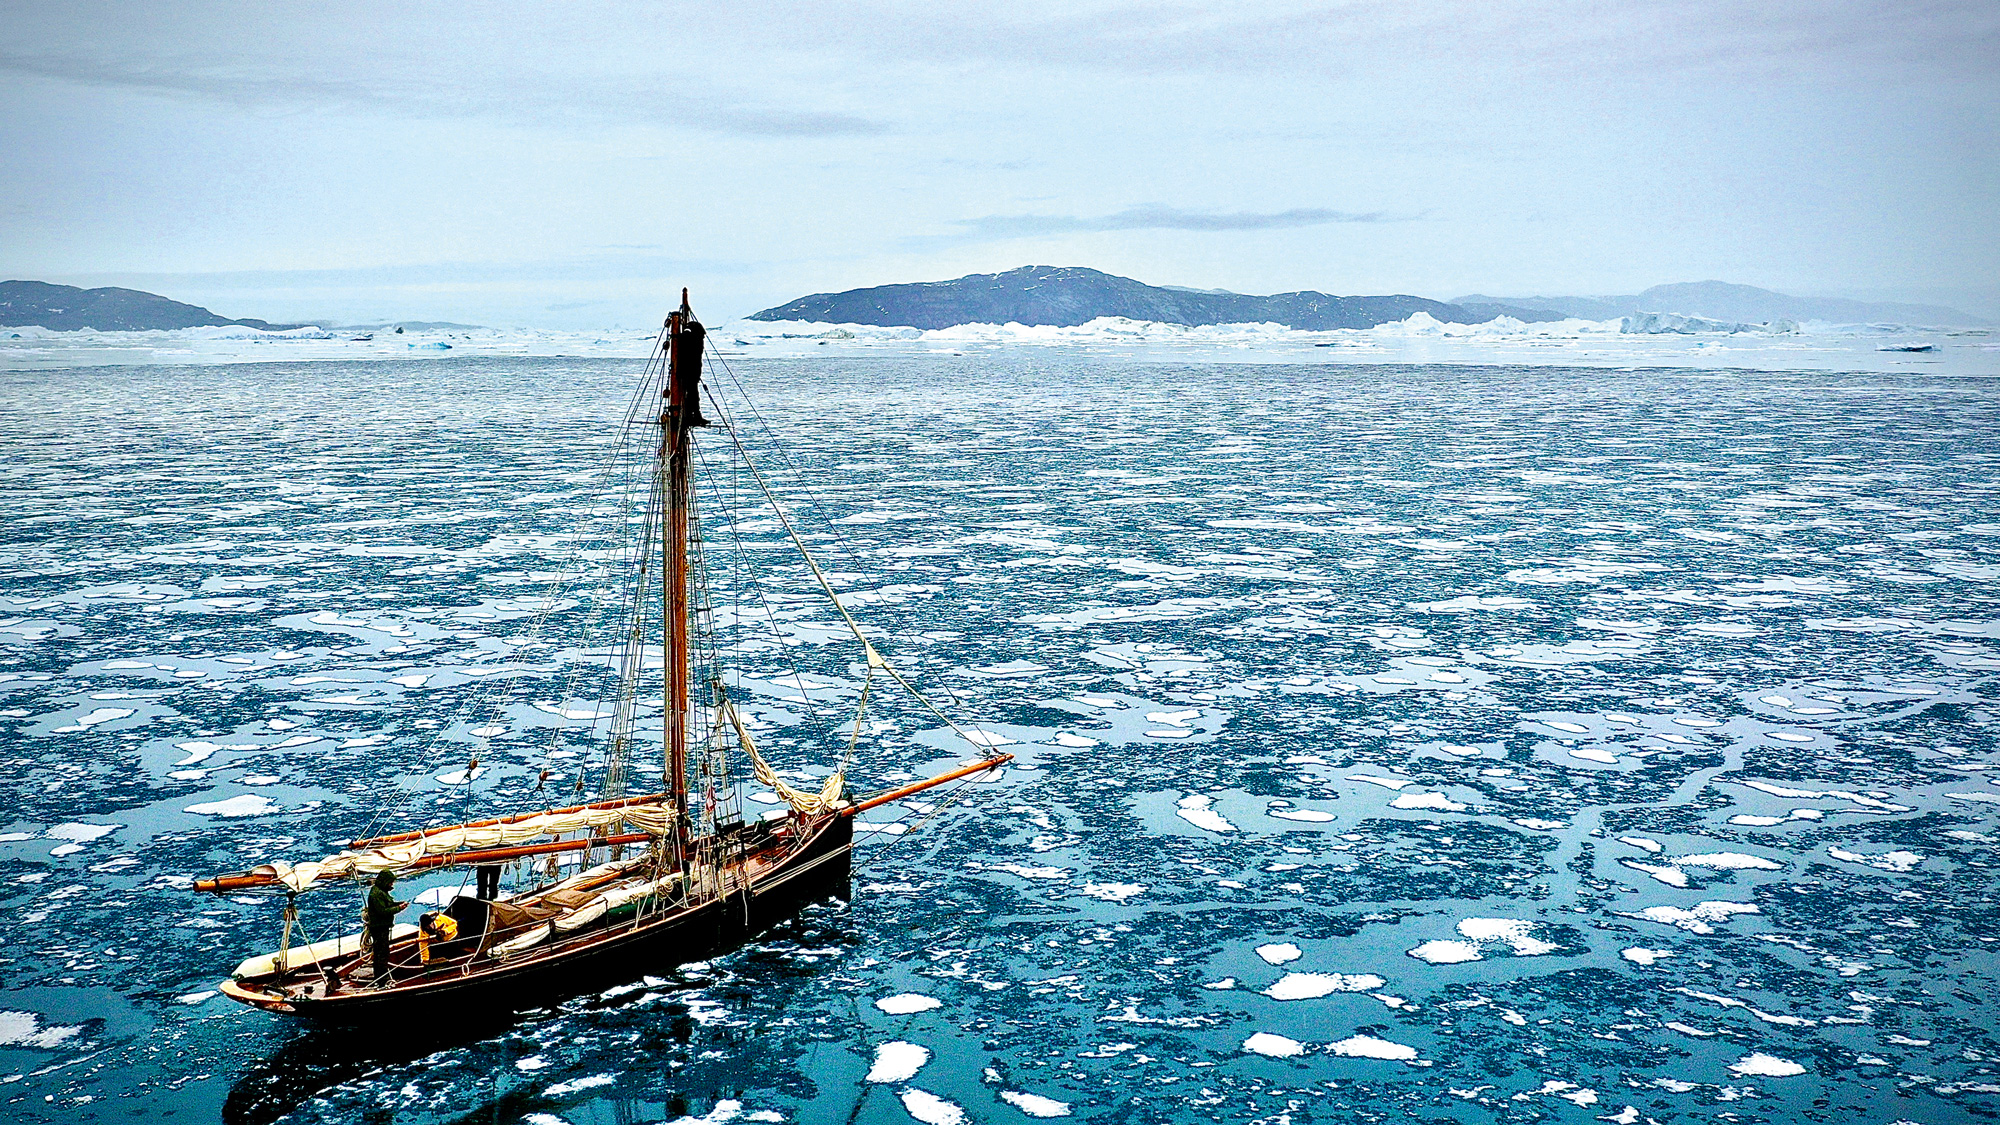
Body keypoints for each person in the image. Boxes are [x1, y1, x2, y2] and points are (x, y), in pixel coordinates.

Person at [364, 870, 407, 980]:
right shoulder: (376, 894)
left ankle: (382, 975)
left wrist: (398, 904)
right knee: (381, 953)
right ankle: (381, 978)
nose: (391, 885)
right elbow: (382, 911)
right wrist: (399, 908)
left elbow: (388, 904)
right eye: (390, 882)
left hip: (382, 926)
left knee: (383, 952)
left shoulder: (381, 891)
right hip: (379, 928)